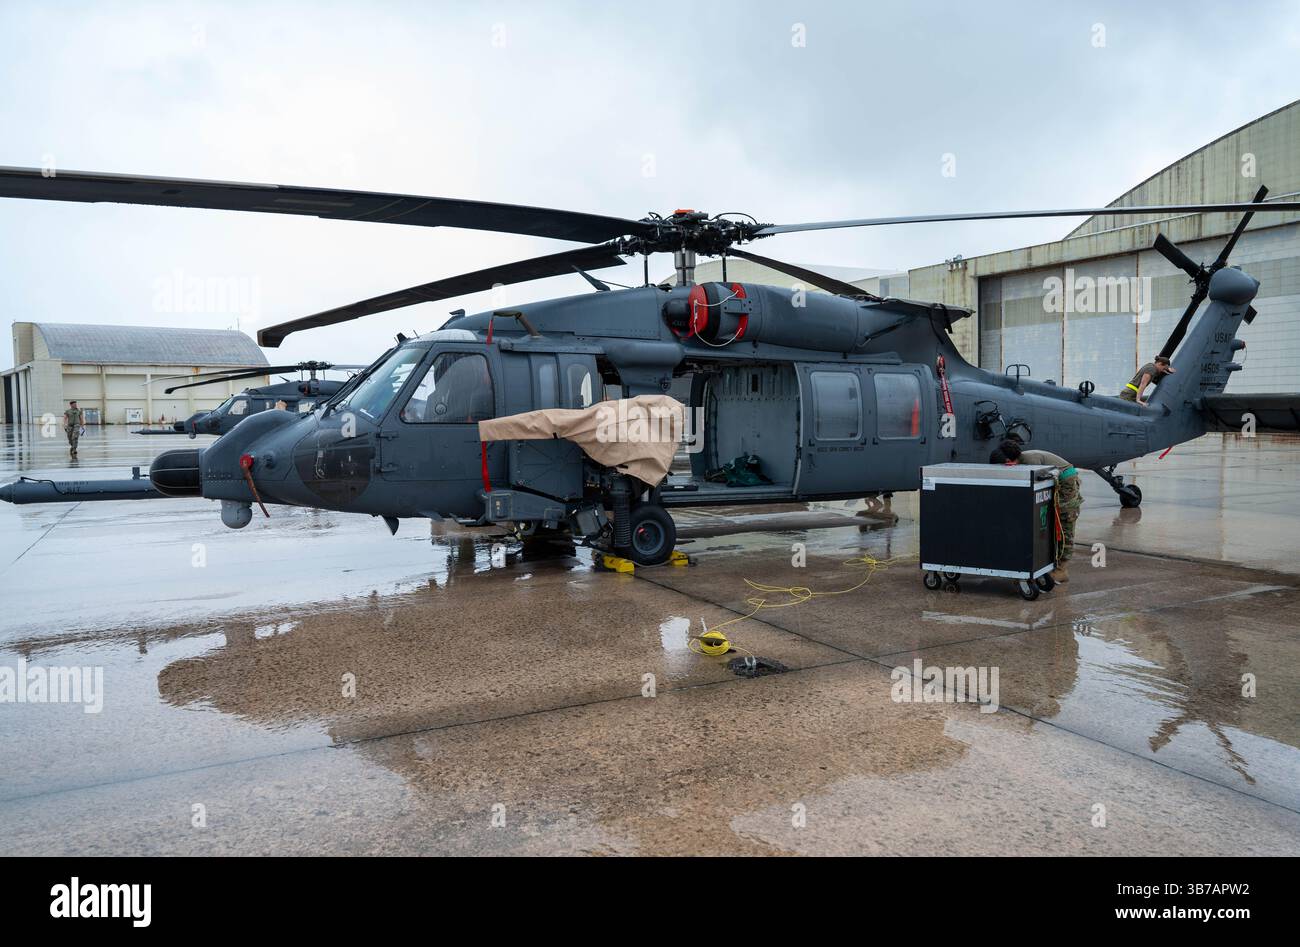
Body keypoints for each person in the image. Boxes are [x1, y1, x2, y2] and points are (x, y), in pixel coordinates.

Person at [989, 439, 1082, 583]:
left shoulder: (1029, 461)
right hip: (1059, 482)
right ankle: (1051, 564)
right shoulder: (1023, 459)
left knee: (1065, 523)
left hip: (1066, 483)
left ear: (1008, 460)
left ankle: (1062, 570)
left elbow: (1036, 483)